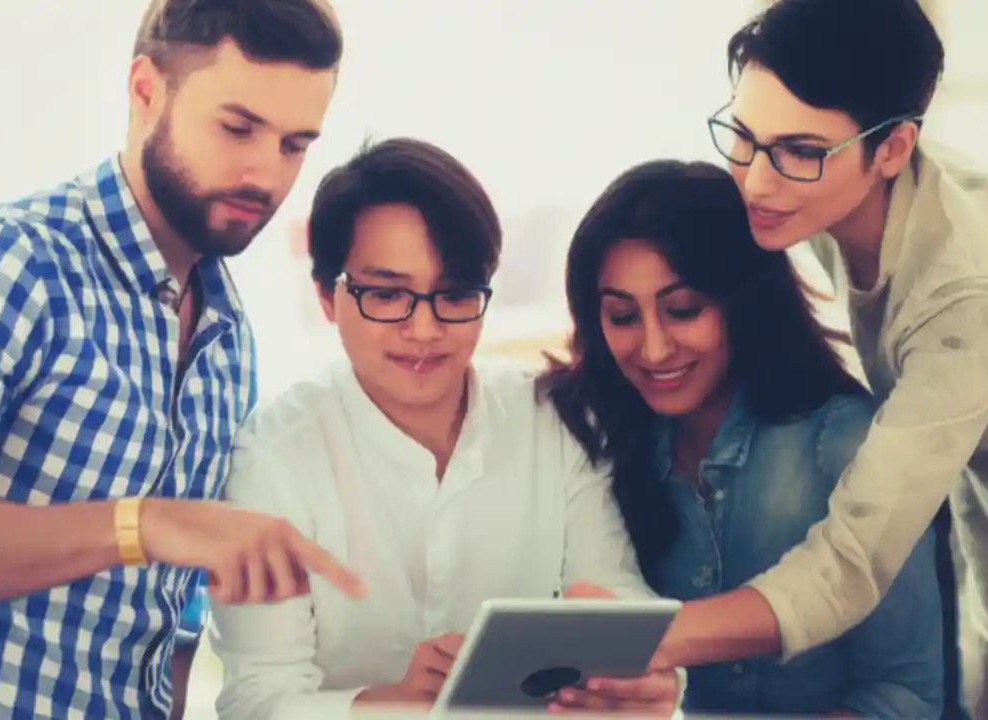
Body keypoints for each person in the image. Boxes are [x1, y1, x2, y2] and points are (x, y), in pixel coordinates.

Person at [567, 1, 988, 718]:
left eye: (798, 151)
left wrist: (644, 640)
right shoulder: (819, 194)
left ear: (892, 148)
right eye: (744, 136)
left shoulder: (968, 294)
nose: (756, 182)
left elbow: (853, 562)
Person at [0, 2, 365, 717]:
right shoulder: (8, 263)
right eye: (237, 128)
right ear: (146, 89)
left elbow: (168, 631)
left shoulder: (227, 332)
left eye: (294, 144)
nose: (264, 173)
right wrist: (138, 524)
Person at [208, 138, 672, 719]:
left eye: (453, 295)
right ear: (327, 297)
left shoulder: (553, 421)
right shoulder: (273, 457)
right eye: (387, 294)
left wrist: (641, 679)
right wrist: (393, 704)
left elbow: (616, 600)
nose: (424, 328)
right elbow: (256, 700)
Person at [542, 159, 944, 717]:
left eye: (684, 310)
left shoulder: (845, 442)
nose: (653, 349)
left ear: (746, 302)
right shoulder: (600, 440)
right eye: (622, 315)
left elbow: (907, 695)